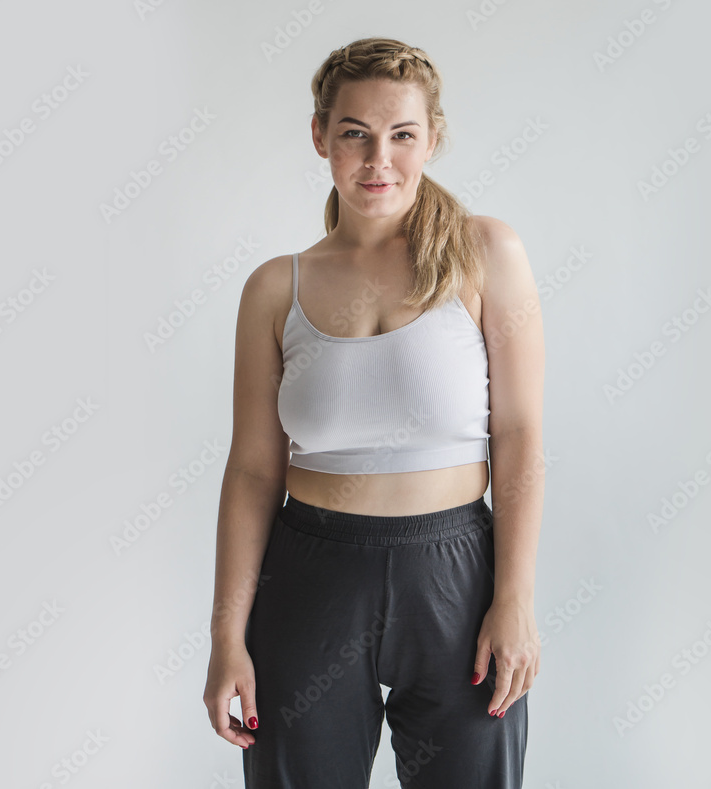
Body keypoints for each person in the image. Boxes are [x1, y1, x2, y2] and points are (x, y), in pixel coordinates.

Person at [202, 36, 545, 788]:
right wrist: (227, 635)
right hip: (308, 580)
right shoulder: (274, 289)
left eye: (402, 135)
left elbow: (519, 435)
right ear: (320, 135)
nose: (376, 159)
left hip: (455, 577)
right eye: (354, 133)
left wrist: (514, 598)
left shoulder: (487, 254)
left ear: (434, 138)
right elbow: (254, 470)